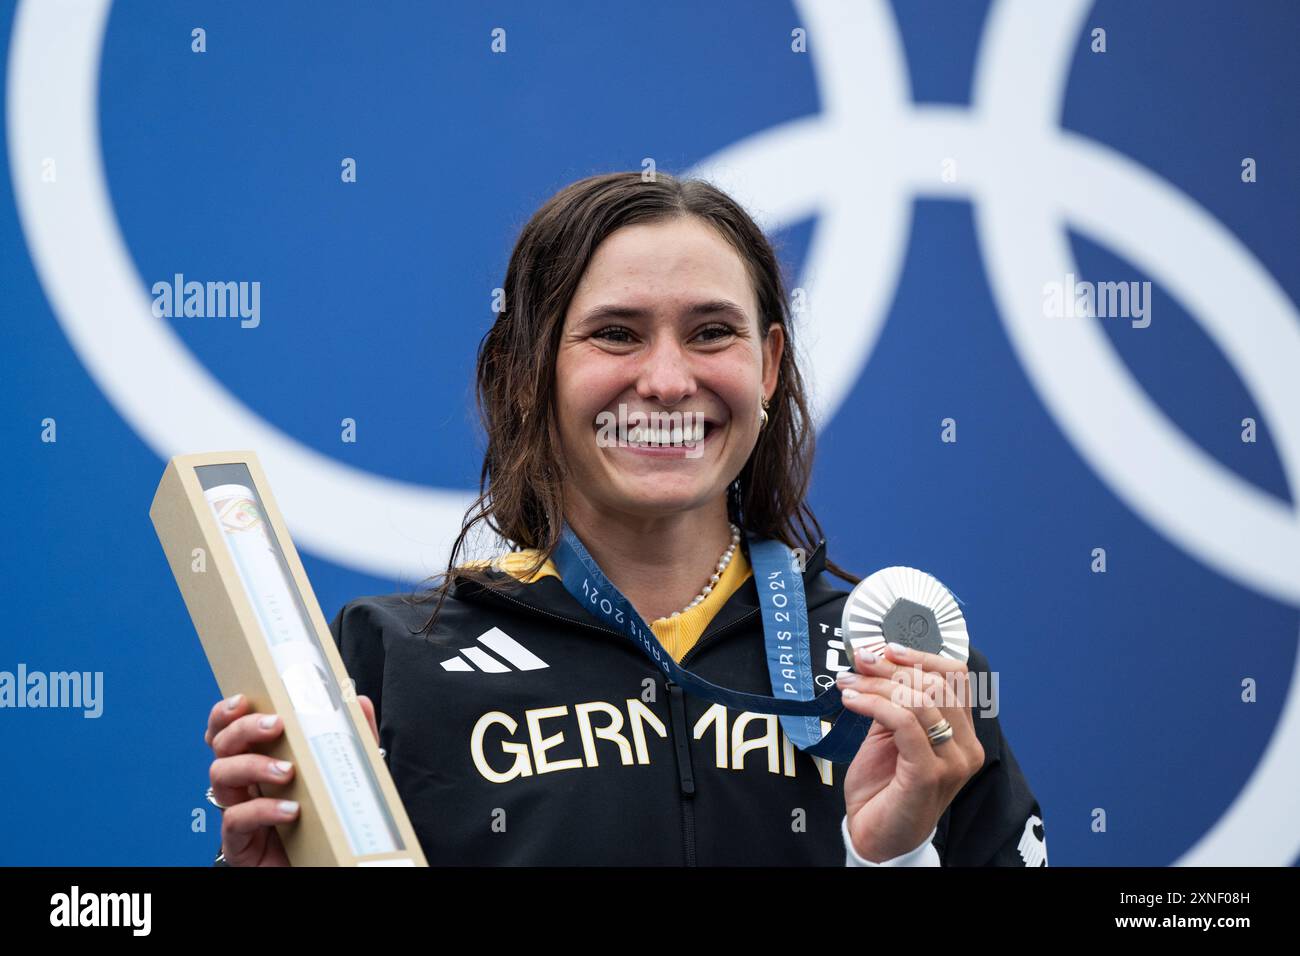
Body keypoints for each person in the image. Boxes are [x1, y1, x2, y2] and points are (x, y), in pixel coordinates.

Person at [204, 171, 1047, 867]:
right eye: (616, 334)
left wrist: (894, 859)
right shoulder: (392, 665)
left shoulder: (901, 673)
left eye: (712, 331)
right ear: (526, 370)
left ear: (769, 364)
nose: (669, 381)